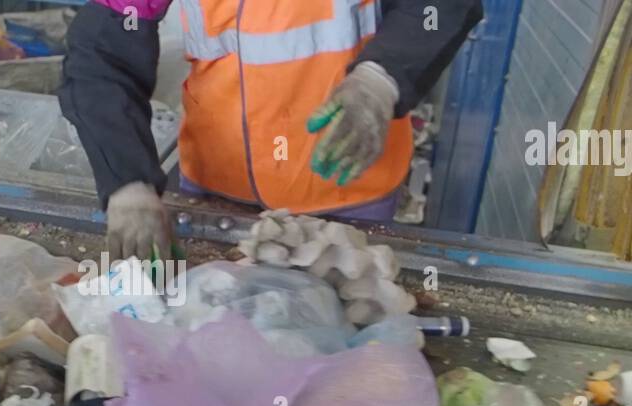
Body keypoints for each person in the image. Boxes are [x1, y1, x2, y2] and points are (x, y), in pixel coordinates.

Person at [59, 0, 485, 260]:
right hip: (215, 198)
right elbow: (104, 47)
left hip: (348, 195)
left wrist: (381, 79)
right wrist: (127, 182)